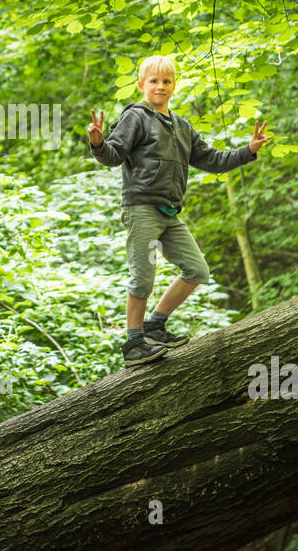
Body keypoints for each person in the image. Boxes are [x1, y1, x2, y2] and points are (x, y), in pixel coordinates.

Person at [87, 55, 271, 367]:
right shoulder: (136, 116)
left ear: (174, 85)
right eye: (154, 81)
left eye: (166, 81)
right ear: (141, 85)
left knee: (197, 270)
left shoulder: (182, 127)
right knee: (143, 276)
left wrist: (248, 150)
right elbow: (114, 156)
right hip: (141, 208)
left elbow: (213, 160)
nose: (160, 86)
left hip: (169, 213)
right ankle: (133, 344)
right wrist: (98, 143)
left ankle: (155, 326)